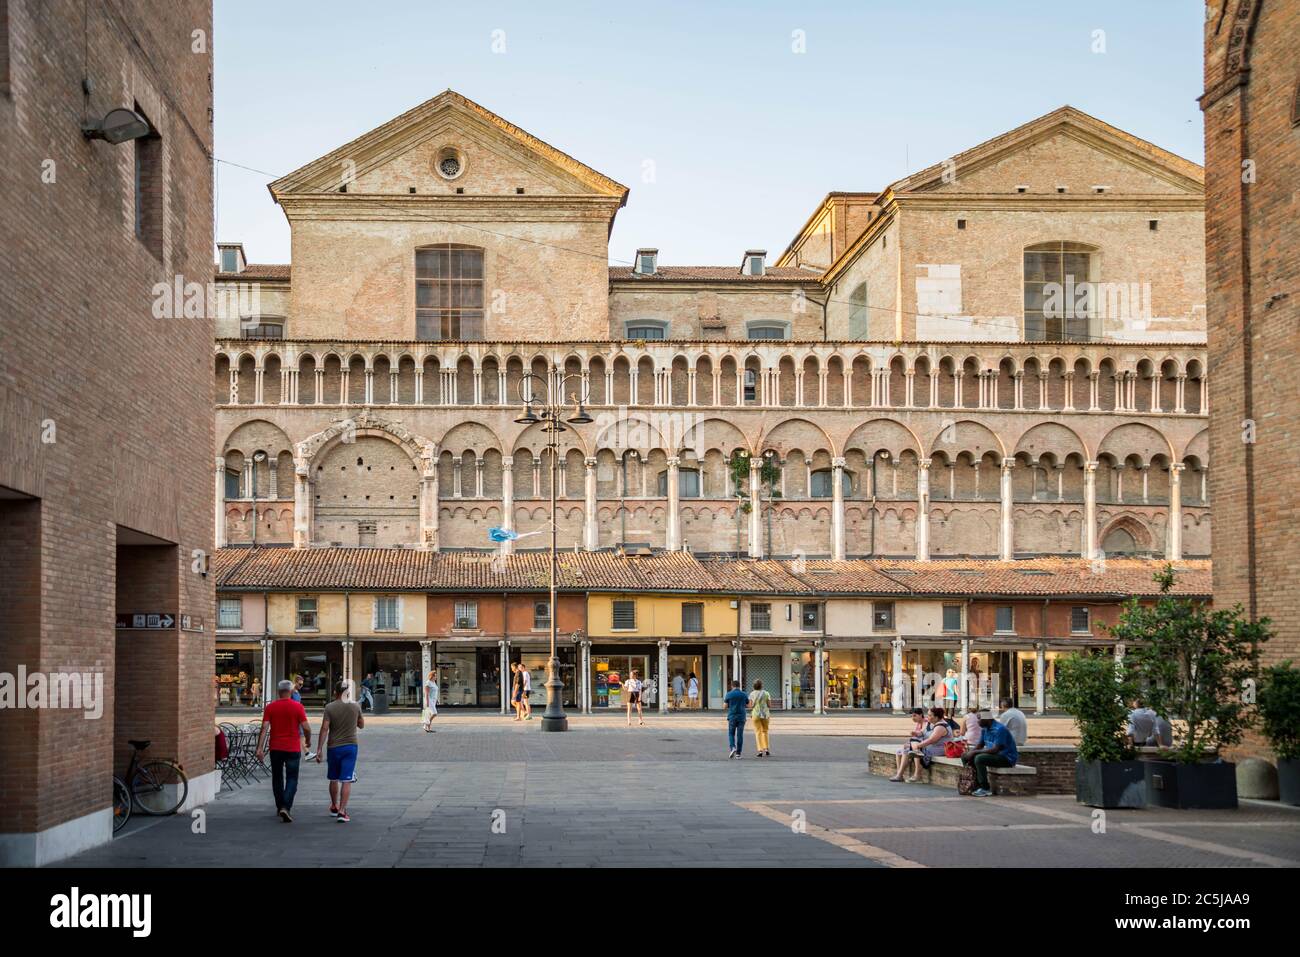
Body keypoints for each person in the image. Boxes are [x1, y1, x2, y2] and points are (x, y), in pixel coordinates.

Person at [255, 679, 311, 822]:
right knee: (292, 778)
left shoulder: (270, 707)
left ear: (278, 692)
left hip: (276, 747)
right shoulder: (298, 707)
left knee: (277, 778)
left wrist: (259, 748)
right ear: (291, 691)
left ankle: (280, 806)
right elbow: (306, 727)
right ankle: (285, 806)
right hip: (292, 748)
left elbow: (264, 728)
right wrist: (308, 740)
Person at [315, 681, 363, 823]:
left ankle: (334, 806)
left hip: (333, 747)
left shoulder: (329, 707)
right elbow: (361, 725)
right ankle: (342, 811)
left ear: (335, 692)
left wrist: (319, 749)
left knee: (334, 778)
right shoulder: (355, 706)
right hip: (350, 746)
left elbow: (324, 729)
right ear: (347, 691)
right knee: (347, 779)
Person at [960, 709, 1019, 796]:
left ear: (986, 719)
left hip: (1006, 758)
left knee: (979, 758)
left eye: (979, 719)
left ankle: (985, 788)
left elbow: (996, 749)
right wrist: (970, 753)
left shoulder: (1000, 729)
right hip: (994, 755)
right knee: (965, 756)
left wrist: (975, 752)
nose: (977, 721)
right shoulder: (985, 729)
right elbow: (980, 745)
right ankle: (973, 783)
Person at [891, 706, 952, 782]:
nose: (927, 717)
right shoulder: (931, 723)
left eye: (930, 715)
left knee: (914, 748)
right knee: (908, 747)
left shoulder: (941, 727)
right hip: (930, 747)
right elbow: (922, 733)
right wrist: (916, 733)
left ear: (936, 717)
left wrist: (918, 745)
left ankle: (916, 774)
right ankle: (900, 775)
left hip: (938, 749)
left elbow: (931, 740)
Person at [724, 679, 748, 758]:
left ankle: (733, 747)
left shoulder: (729, 694)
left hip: (732, 716)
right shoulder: (744, 694)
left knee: (731, 733)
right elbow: (747, 704)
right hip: (741, 717)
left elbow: (725, 706)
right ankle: (738, 754)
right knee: (740, 735)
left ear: (732, 686)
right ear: (739, 686)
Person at [749, 679, 773, 757]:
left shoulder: (752, 694)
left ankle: (760, 750)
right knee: (765, 731)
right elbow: (769, 705)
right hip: (765, 715)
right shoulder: (766, 693)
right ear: (762, 685)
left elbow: (750, 706)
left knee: (758, 732)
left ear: (754, 686)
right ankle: (766, 749)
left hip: (756, 715)